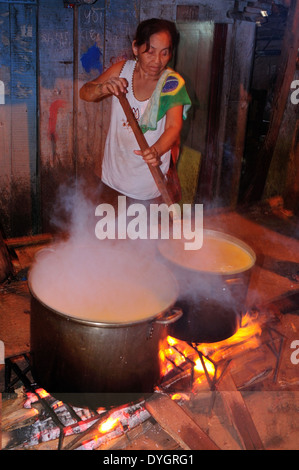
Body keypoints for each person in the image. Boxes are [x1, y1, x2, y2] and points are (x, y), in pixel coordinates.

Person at [79, 18, 191, 207]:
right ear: (136, 48)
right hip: (112, 176)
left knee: (142, 236)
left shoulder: (172, 83)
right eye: (151, 52)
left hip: (148, 184)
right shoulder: (122, 69)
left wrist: (156, 150)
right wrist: (103, 89)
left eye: (165, 53)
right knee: (108, 233)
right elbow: (85, 92)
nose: (157, 61)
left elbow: (173, 126)